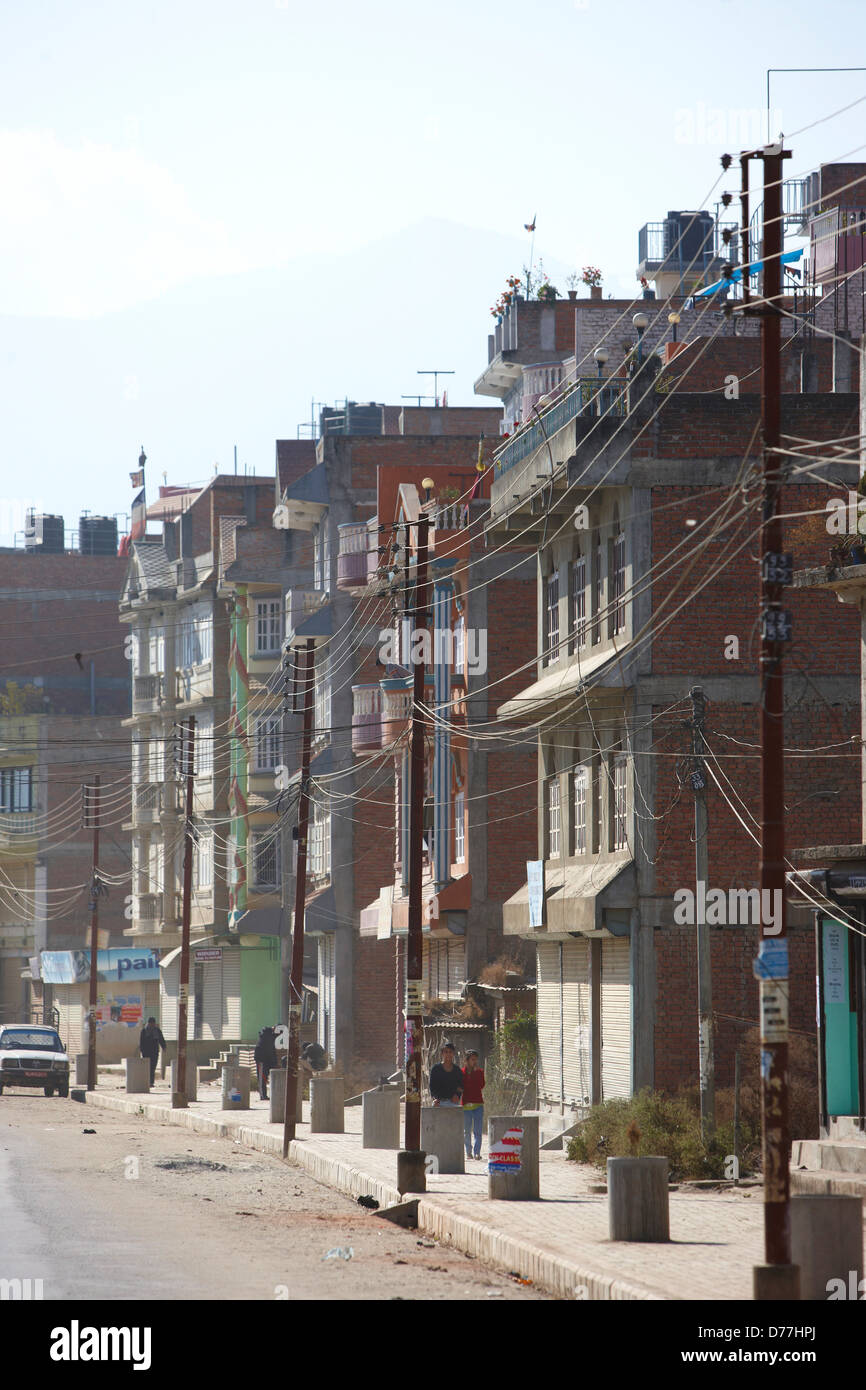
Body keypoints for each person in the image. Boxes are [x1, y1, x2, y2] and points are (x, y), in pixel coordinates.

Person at [461, 1049, 485, 1159]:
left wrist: (475, 1073)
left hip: (478, 1105)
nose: (474, 1062)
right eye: (472, 1060)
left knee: (478, 1131)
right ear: (467, 1061)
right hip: (466, 1105)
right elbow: (462, 1086)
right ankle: (468, 1152)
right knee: (467, 1131)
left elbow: (481, 1085)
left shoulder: (479, 1072)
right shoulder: (462, 1072)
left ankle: (477, 1152)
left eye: (476, 1060)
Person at [429, 1040, 463, 1107]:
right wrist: (435, 1098)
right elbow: (432, 1087)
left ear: (453, 1054)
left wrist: (457, 1095)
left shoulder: (457, 1070)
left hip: (453, 1103)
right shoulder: (435, 1069)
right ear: (442, 1054)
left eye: (450, 1052)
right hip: (438, 1103)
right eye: (446, 1052)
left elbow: (461, 1086)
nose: (448, 1054)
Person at [254, 1024, 279, 1100]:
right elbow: (268, 1049)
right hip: (262, 1059)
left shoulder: (272, 1036)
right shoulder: (267, 1034)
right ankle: (263, 1095)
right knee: (262, 1078)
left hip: (268, 1059)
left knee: (267, 1077)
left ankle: (267, 1095)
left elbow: (272, 1050)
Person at [139, 1016, 166, 1086]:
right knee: (147, 1067)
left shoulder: (157, 1030)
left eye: (153, 1023)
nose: (152, 1025)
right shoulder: (144, 1031)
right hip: (146, 1052)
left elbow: (161, 1039)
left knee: (153, 1067)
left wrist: (164, 1047)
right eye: (151, 1023)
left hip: (154, 1052)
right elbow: (141, 1042)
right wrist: (142, 1051)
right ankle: (146, 1082)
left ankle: (151, 1082)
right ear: (148, 1023)